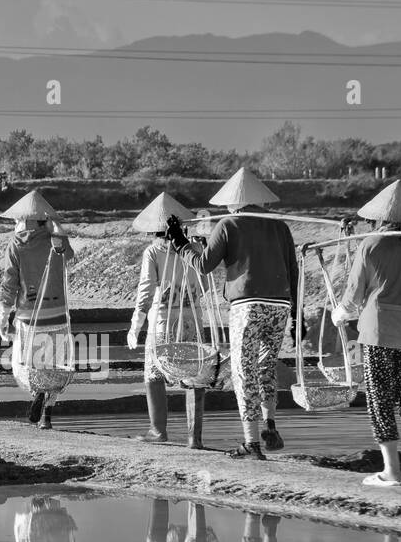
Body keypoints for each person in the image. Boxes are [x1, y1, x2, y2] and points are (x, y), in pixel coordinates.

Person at [167, 167, 300, 459]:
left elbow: (203, 264)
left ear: (234, 202)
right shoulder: (280, 227)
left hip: (247, 305)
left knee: (244, 371)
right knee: (266, 367)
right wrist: (297, 316)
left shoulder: (228, 224)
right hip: (280, 306)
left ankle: (251, 443)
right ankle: (270, 425)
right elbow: (293, 270)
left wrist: (179, 243)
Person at [331, 180, 401, 486]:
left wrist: (338, 315)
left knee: (379, 400)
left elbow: (353, 296)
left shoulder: (372, 245)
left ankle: (391, 471)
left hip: (378, 333)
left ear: (382, 216)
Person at [128, 193, 209, 449]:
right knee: (196, 374)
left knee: (153, 373)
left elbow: (145, 292)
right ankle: (193, 437)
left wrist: (135, 326)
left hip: (162, 320)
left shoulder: (153, 252)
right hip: (192, 319)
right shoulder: (195, 250)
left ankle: (158, 430)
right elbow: (205, 286)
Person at [0, 190, 75, 431]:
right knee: (55, 365)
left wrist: (3, 315)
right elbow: (68, 256)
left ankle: (37, 393)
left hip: (28, 316)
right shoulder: (57, 242)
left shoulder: (16, 244)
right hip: (57, 313)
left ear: (23, 220)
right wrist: (57, 229)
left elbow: (9, 282)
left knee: (30, 365)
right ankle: (47, 415)